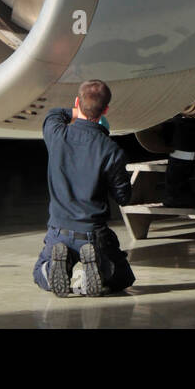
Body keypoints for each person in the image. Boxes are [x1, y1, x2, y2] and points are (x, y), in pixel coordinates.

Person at [32, 80, 135, 296]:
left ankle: (52, 269)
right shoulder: (112, 150)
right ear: (106, 110)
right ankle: (101, 271)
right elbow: (123, 197)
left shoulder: (57, 134)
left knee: (37, 273)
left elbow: (53, 114)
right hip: (94, 233)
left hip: (59, 231)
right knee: (124, 277)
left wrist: (77, 110)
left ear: (77, 102)